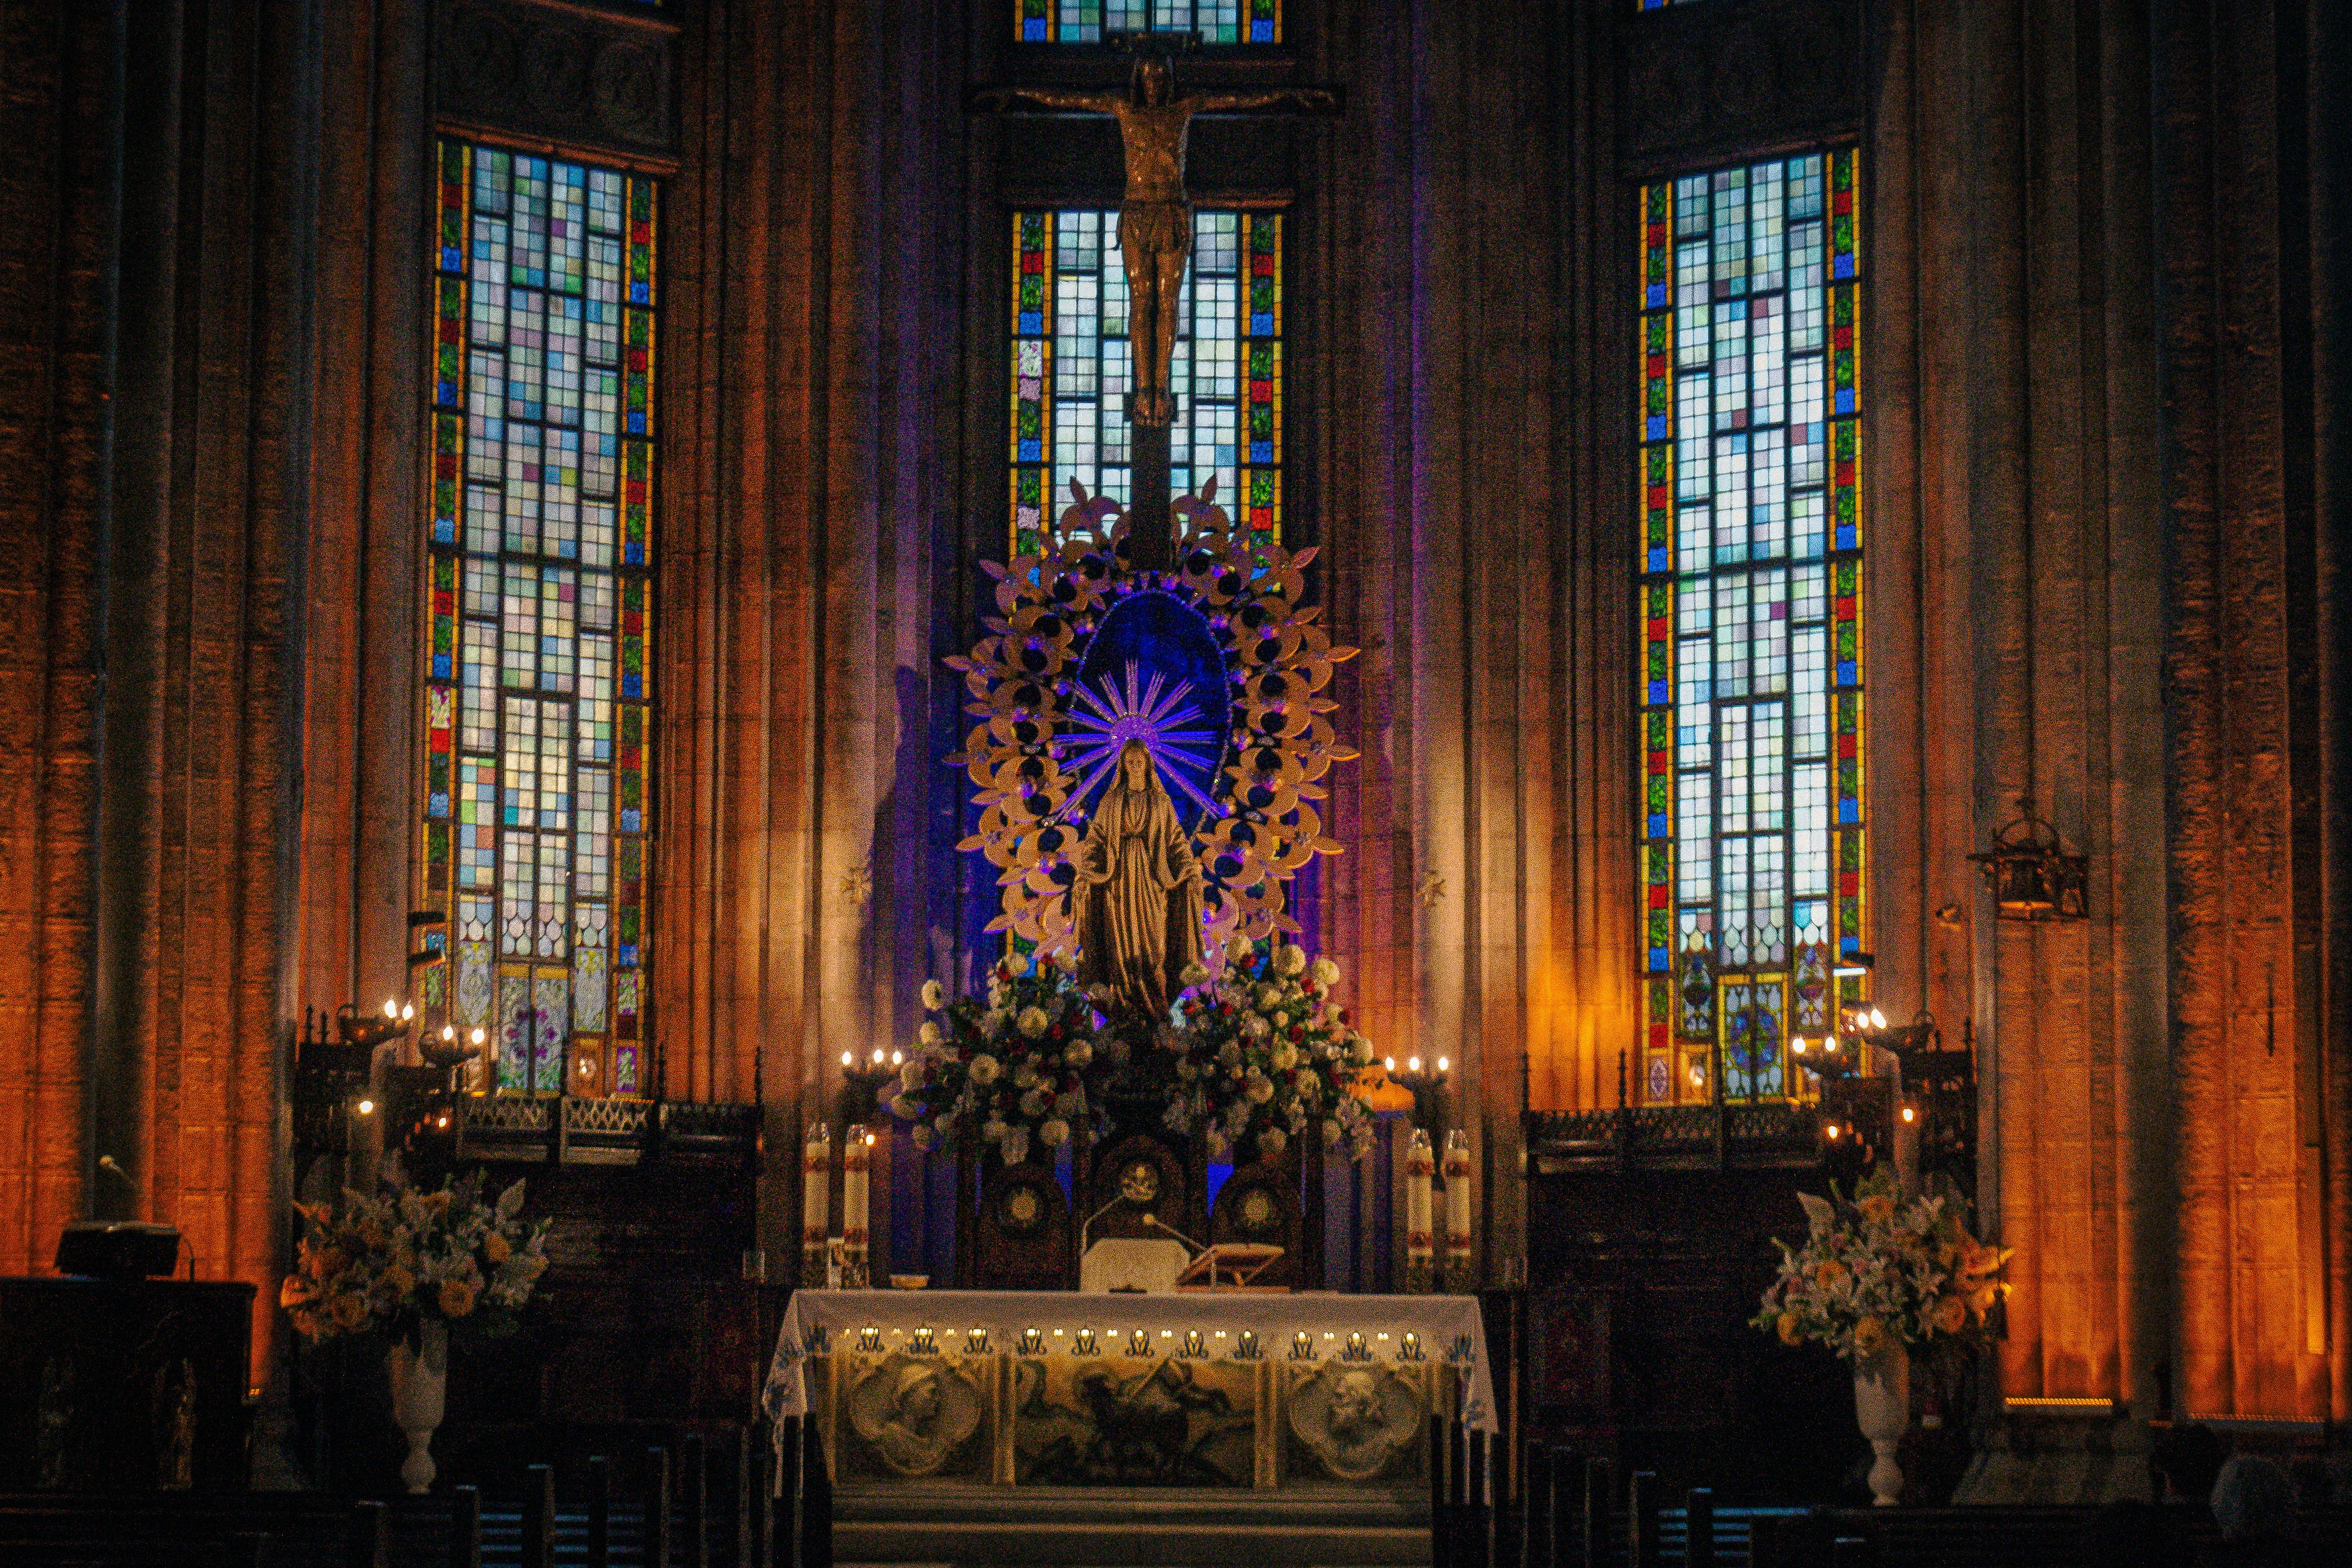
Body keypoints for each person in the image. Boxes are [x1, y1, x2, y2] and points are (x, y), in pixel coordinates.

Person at [1073, 739, 1204, 1018]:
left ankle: (1156, 1011)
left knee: (1155, 946)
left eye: (1139, 761)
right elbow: (1096, 839)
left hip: (1153, 882)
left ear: (1147, 765)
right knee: (1119, 946)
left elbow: (1176, 841)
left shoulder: (1160, 801)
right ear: (1122, 765)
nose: (1134, 766)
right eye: (1129, 761)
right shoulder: (1111, 801)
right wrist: (1087, 867)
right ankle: (1122, 1014)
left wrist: (1188, 868)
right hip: (1118, 883)